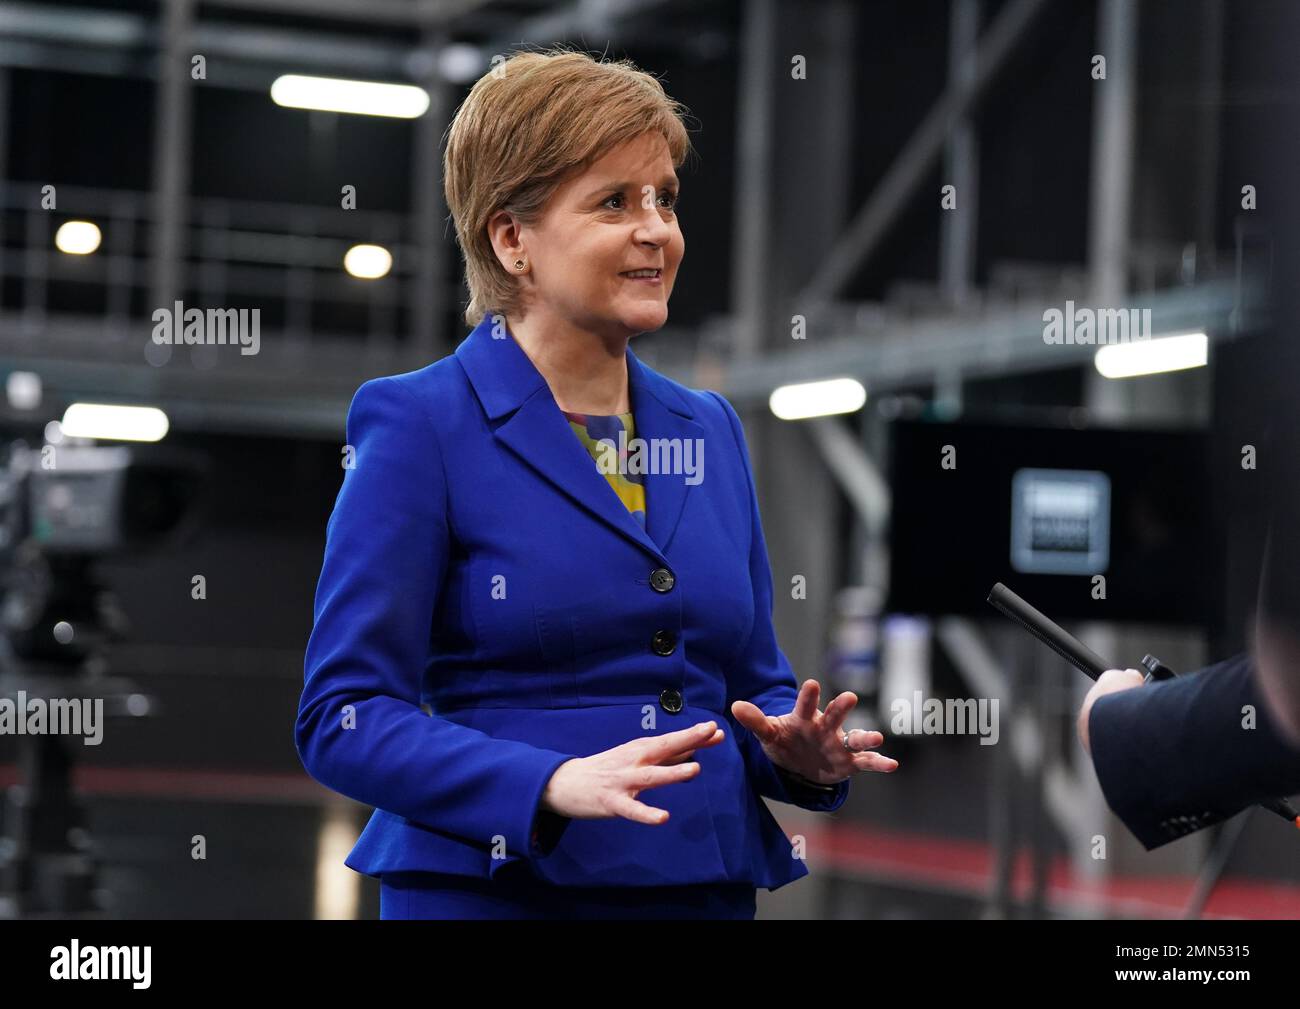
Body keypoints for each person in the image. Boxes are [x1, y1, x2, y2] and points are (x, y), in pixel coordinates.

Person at [295, 47, 898, 920]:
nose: (656, 229)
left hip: (698, 888)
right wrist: (548, 781)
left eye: (665, 198)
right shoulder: (419, 424)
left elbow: (749, 680)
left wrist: (794, 749)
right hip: (497, 891)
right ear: (512, 240)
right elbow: (342, 714)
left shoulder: (712, 429)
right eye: (614, 202)